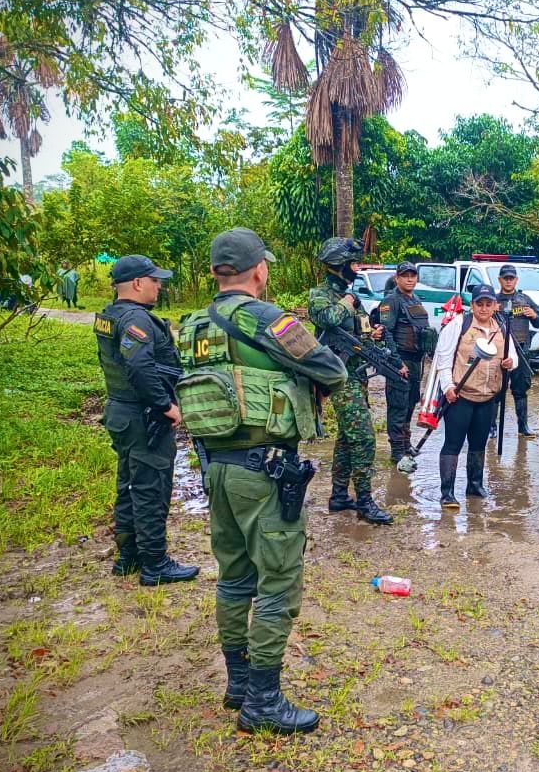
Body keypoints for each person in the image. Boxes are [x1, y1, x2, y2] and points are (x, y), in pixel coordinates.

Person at [177, 227, 348, 735]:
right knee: (277, 583)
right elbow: (332, 369)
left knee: (233, 578)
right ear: (261, 270)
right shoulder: (267, 318)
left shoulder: (190, 326)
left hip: (216, 467)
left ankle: (238, 684)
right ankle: (264, 703)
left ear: (213, 272)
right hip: (265, 470)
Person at [93, 255, 200, 585]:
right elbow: (139, 366)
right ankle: (155, 563)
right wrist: (165, 405)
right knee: (151, 489)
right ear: (138, 283)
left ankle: (129, 557)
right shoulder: (136, 320)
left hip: (121, 413)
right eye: (155, 281)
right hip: (143, 417)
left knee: (128, 484)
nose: (159, 286)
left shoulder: (109, 315)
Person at [307, 237, 395, 525]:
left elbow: (358, 331)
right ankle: (365, 501)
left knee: (347, 438)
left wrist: (373, 334)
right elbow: (325, 319)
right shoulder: (322, 294)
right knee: (364, 438)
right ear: (338, 265)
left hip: (356, 375)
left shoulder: (351, 297)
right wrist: (346, 304)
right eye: (353, 263)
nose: (357, 268)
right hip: (338, 377)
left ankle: (340, 495)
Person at [433, 284, 518, 505]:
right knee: (453, 443)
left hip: (488, 398)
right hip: (460, 397)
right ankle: (447, 493)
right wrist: (447, 387)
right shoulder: (459, 325)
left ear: (495, 305)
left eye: (488, 304)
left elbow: (513, 357)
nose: (483, 308)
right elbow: (443, 358)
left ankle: (475, 486)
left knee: (479, 444)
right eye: (479, 304)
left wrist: (510, 362)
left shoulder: (502, 328)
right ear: (472, 305)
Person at [377, 262, 437, 463]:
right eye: (405, 276)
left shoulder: (415, 299)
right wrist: (396, 363)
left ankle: (405, 444)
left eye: (413, 275)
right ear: (397, 278)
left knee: (411, 403)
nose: (410, 279)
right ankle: (396, 451)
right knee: (398, 406)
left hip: (416, 362)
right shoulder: (391, 301)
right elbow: (386, 334)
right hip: (400, 361)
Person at [495, 264, 539, 437]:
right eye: (505, 278)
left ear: (516, 280)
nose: (508, 281)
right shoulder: (492, 301)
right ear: (500, 280)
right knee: (495, 390)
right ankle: (492, 427)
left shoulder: (525, 299)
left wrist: (534, 315)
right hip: (499, 352)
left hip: (521, 351)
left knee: (521, 390)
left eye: (511, 278)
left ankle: (522, 426)